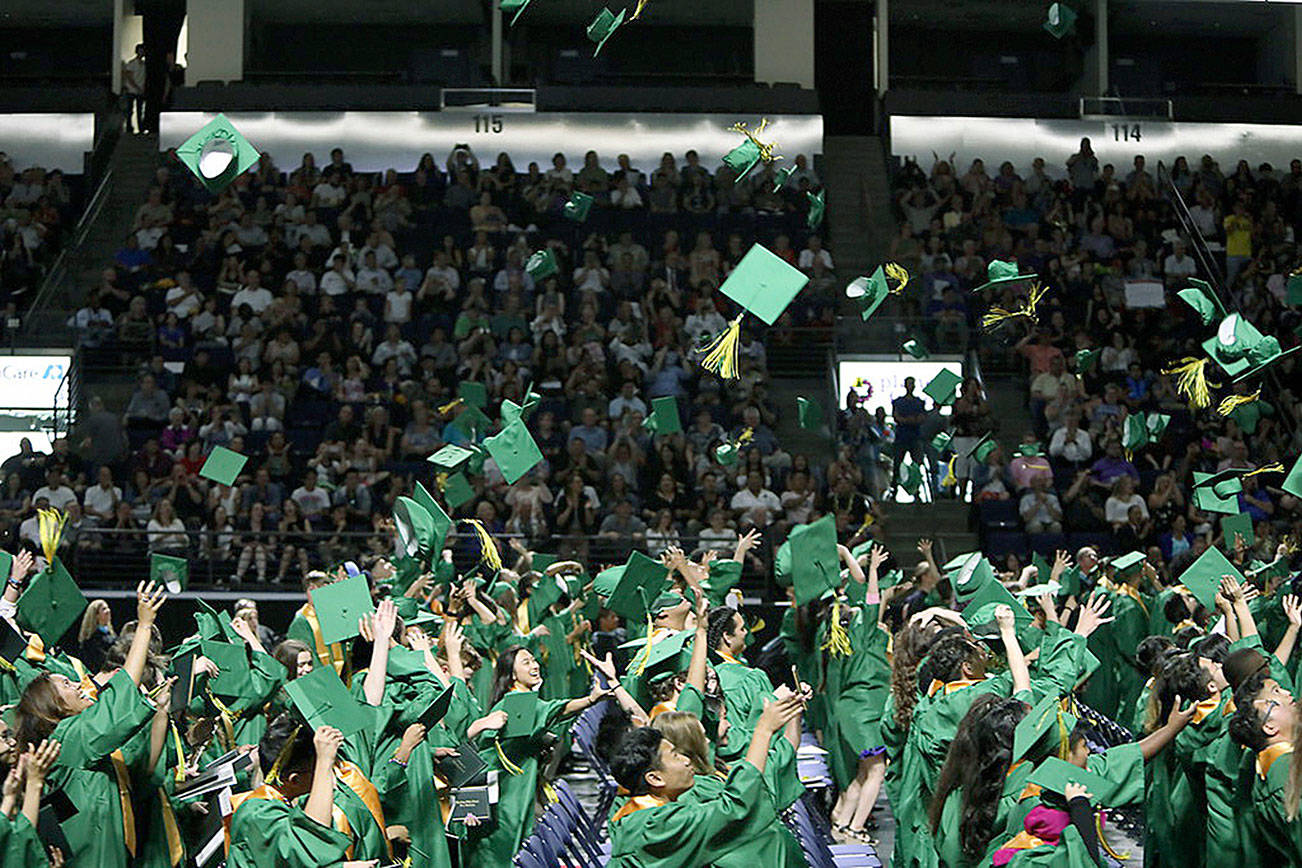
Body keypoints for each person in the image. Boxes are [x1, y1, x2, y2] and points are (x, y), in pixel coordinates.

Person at [607, 693, 805, 867]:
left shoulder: (642, 815)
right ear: (655, 778)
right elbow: (733, 809)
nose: (686, 760)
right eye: (676, 756)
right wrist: (764, 731)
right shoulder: (657, 826)